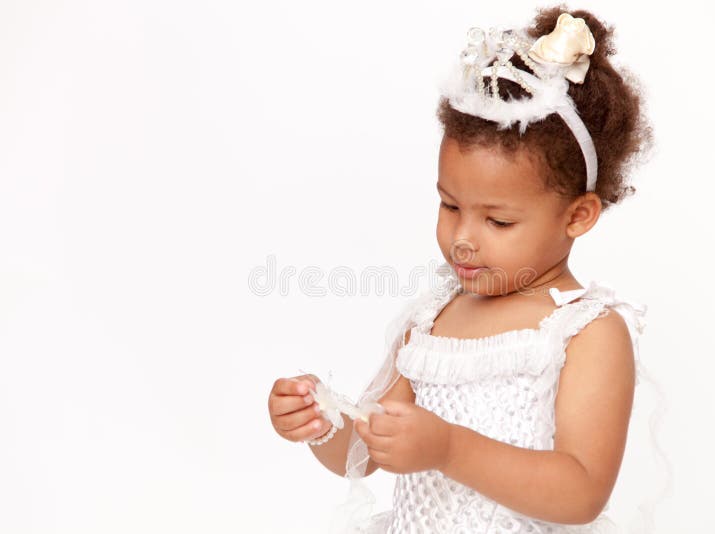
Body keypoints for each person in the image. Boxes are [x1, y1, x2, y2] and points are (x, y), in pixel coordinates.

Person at [269, 5, 671, 533]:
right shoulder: (433, 319)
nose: (462, 238)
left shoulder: (585, 333)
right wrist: (321, 421)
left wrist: (450, 448)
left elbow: (581, 493)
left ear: (578, 216)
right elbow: (366, 451)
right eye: (450, 205)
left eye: (498, 221)